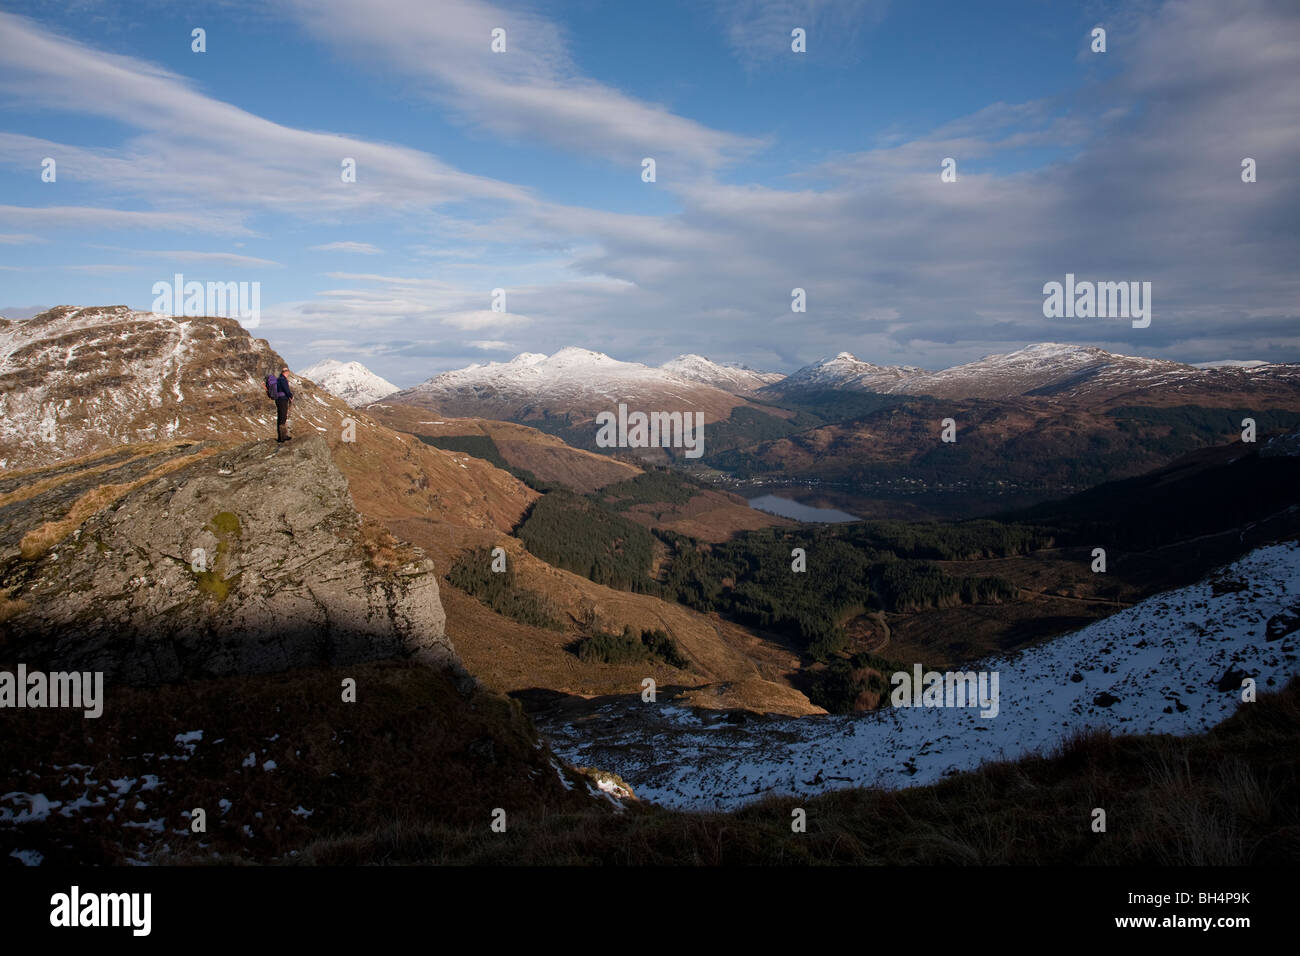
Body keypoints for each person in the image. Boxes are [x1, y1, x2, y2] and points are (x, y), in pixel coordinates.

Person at [275, 365, 294, 442]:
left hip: (278, 399)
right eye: (288, 372)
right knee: (283, 417)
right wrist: (290, 395)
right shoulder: (283, 380)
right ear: (286, 372)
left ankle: (280, 436)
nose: (288, 374)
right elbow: (286, 389)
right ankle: (283, 437)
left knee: (280, 417)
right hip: (283, 399)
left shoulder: (278, 379)